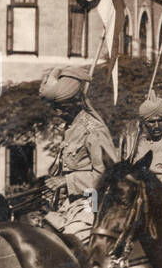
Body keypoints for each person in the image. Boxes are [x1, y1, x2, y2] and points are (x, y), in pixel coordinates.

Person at [38, 65, 117, 241]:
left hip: (93, 202)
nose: (58, 113)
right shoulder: (71, 127)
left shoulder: (93, 130)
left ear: (77, 102)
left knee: (70, 246)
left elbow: (107, 174)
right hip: (70, 203)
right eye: (55, 107)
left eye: (62, 107)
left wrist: (66, 181)